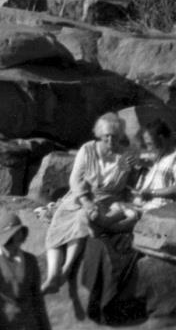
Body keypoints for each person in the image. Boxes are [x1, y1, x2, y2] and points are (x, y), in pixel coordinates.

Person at [42, 113, 137, 291]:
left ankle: (66, 269)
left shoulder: (126, 156)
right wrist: (85, 200)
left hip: (107, 200)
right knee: (60, 220)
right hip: (80, 196)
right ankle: (52, 275)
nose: (110, 140)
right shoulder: (88, 149)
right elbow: (75, 180)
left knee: (81, 219)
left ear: (120, 136)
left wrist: (131, 167)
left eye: (114, 136)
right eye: (106, 135)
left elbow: (129, 185)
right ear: (99, 135)